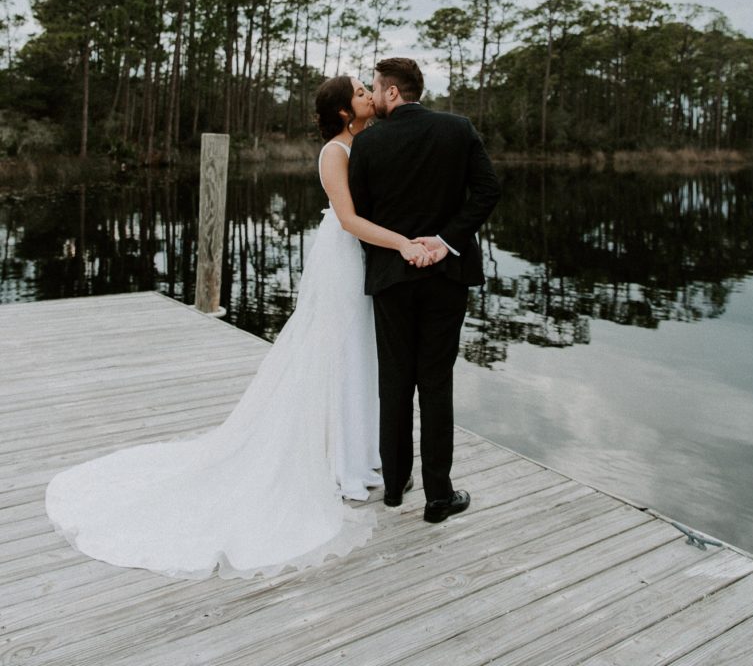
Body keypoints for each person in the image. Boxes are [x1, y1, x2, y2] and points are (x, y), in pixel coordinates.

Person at [45, 76, 430, 580]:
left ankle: (355, 456)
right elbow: (349, 218)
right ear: (342, 111)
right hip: (342, 258)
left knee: (359, 356)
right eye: (361, 93)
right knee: (334, 352)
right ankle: (338, 464)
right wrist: (404, 243)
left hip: (364, 260)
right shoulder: (335, 153)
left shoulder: (369, 142)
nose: (369, 97)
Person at [348, 57, 501, 524]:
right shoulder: (458, 129)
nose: (372, 96)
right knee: (435, 383)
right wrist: (444, 241)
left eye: (375, 87)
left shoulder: (368, 143)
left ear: (393, 92)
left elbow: (361, 216)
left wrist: (404, 248)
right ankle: (439, 496)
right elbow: (487, 191)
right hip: (445, 276)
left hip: (393, 278)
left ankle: (395, 487)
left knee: (394, 382)